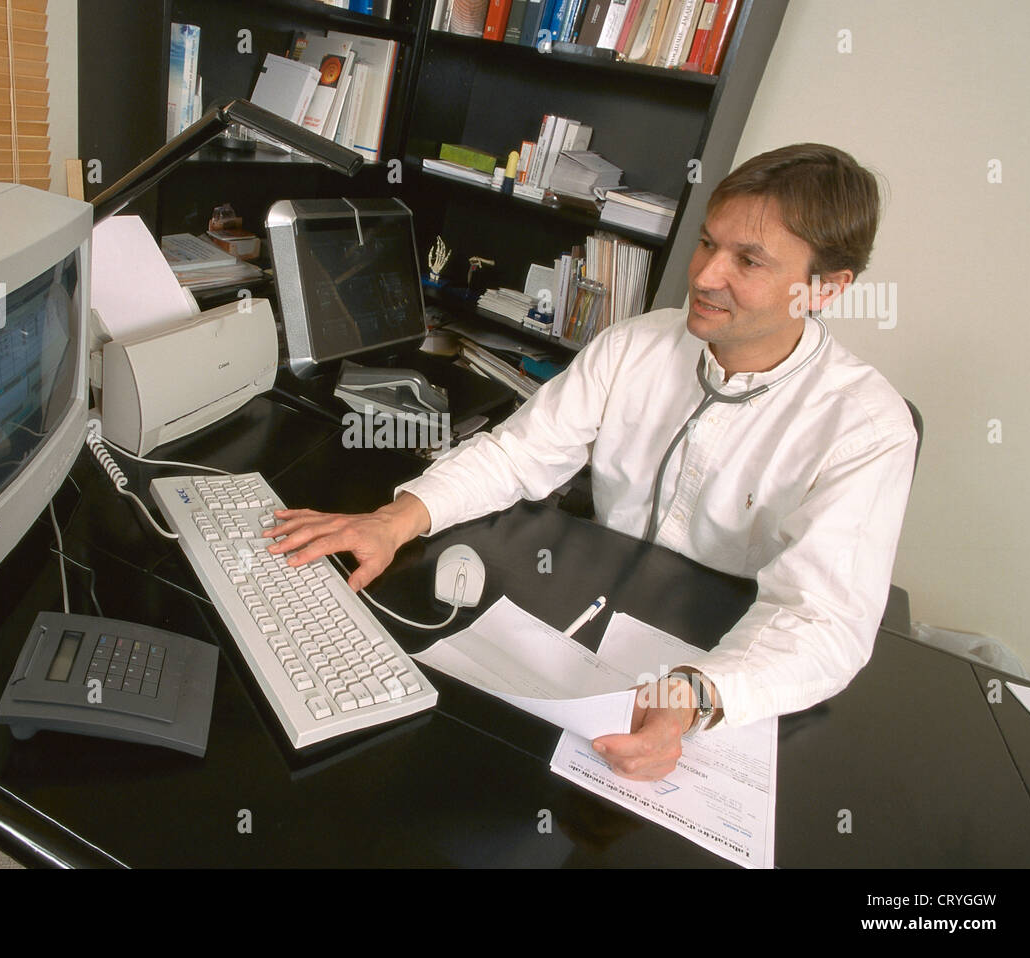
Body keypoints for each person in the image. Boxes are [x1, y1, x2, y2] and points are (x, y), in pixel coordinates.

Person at [265, 144, 917, 781]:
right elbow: (519, 453)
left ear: (826, 289)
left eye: (747, 261)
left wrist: (696, 695)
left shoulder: (866, 427)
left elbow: (825, 622)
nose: (705, 275)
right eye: (708, 243)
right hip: (582, 622)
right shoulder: (637, 344)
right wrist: (397, 518)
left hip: (726, 664)